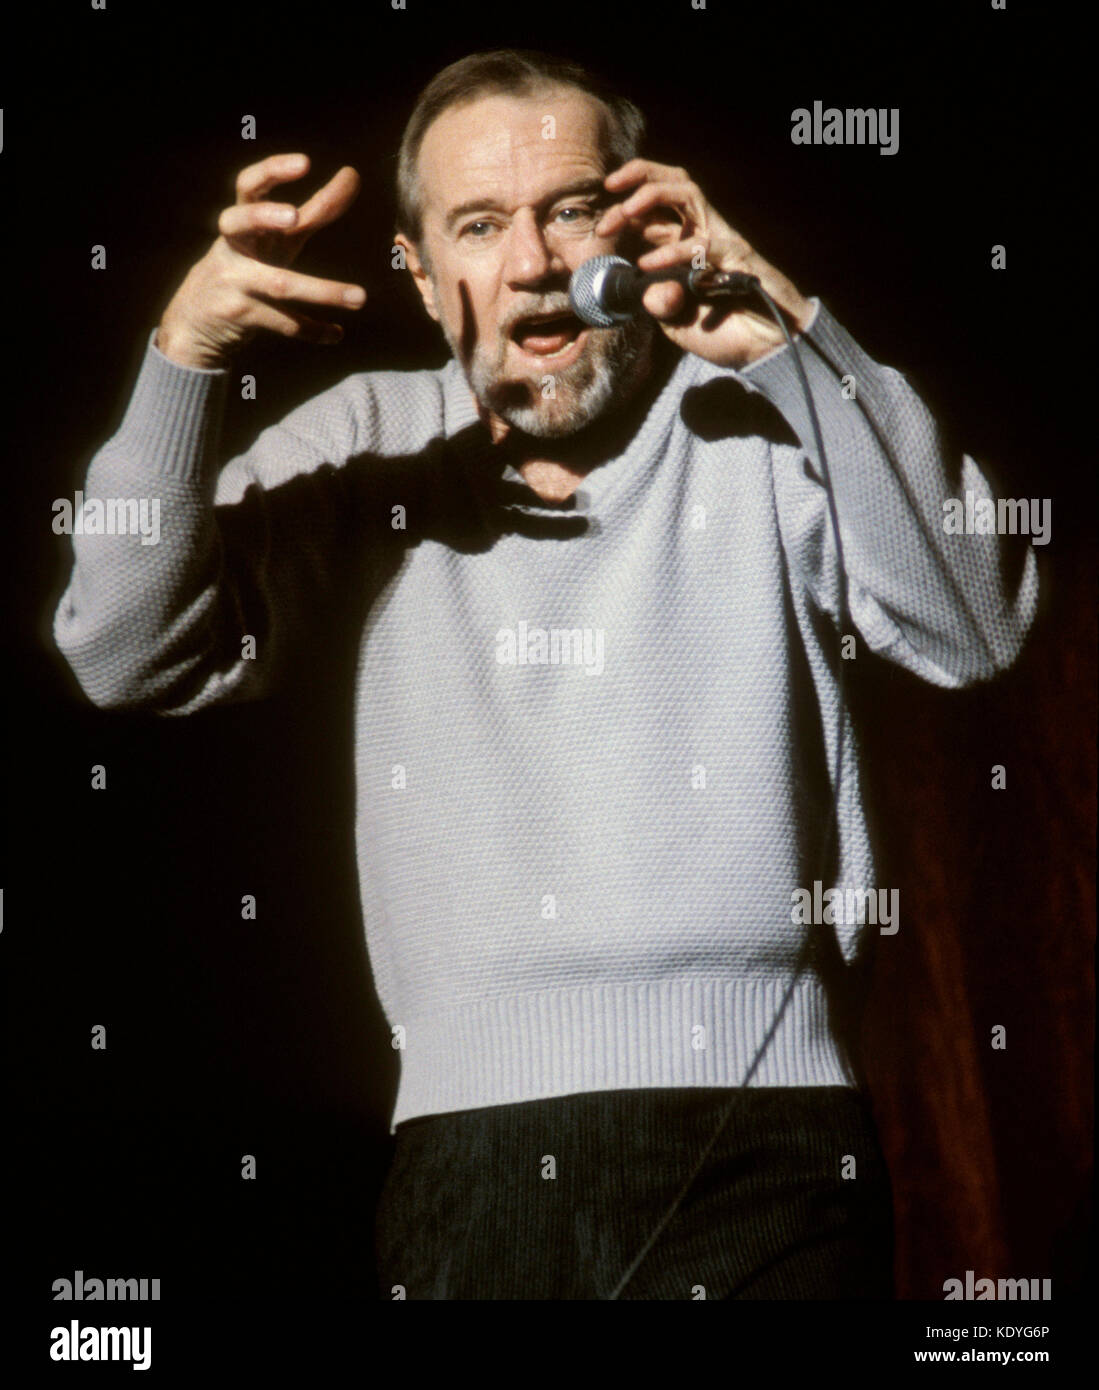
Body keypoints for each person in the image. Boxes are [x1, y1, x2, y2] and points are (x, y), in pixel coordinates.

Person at [52, 49, 1038, 1299]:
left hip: (765, 1136)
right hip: (469, 1161)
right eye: (476, 225)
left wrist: (792, 338)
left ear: (634, 221)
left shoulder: (758, 412)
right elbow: (120, 649)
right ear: (420, 276)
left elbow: (976, 624)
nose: (530, 261)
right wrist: (183, 357)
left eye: (568, 208)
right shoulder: (370, 444)